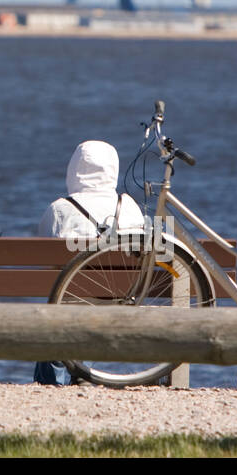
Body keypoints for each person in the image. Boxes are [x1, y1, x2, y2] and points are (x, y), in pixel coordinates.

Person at [34, 140, 146, 385]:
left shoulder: (59, 209)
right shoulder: (128, 206)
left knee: (62, 308)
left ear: (74, 169)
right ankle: (83, 375)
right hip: (117, 301)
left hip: (68, 305)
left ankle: (48, 386)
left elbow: (46, 267)